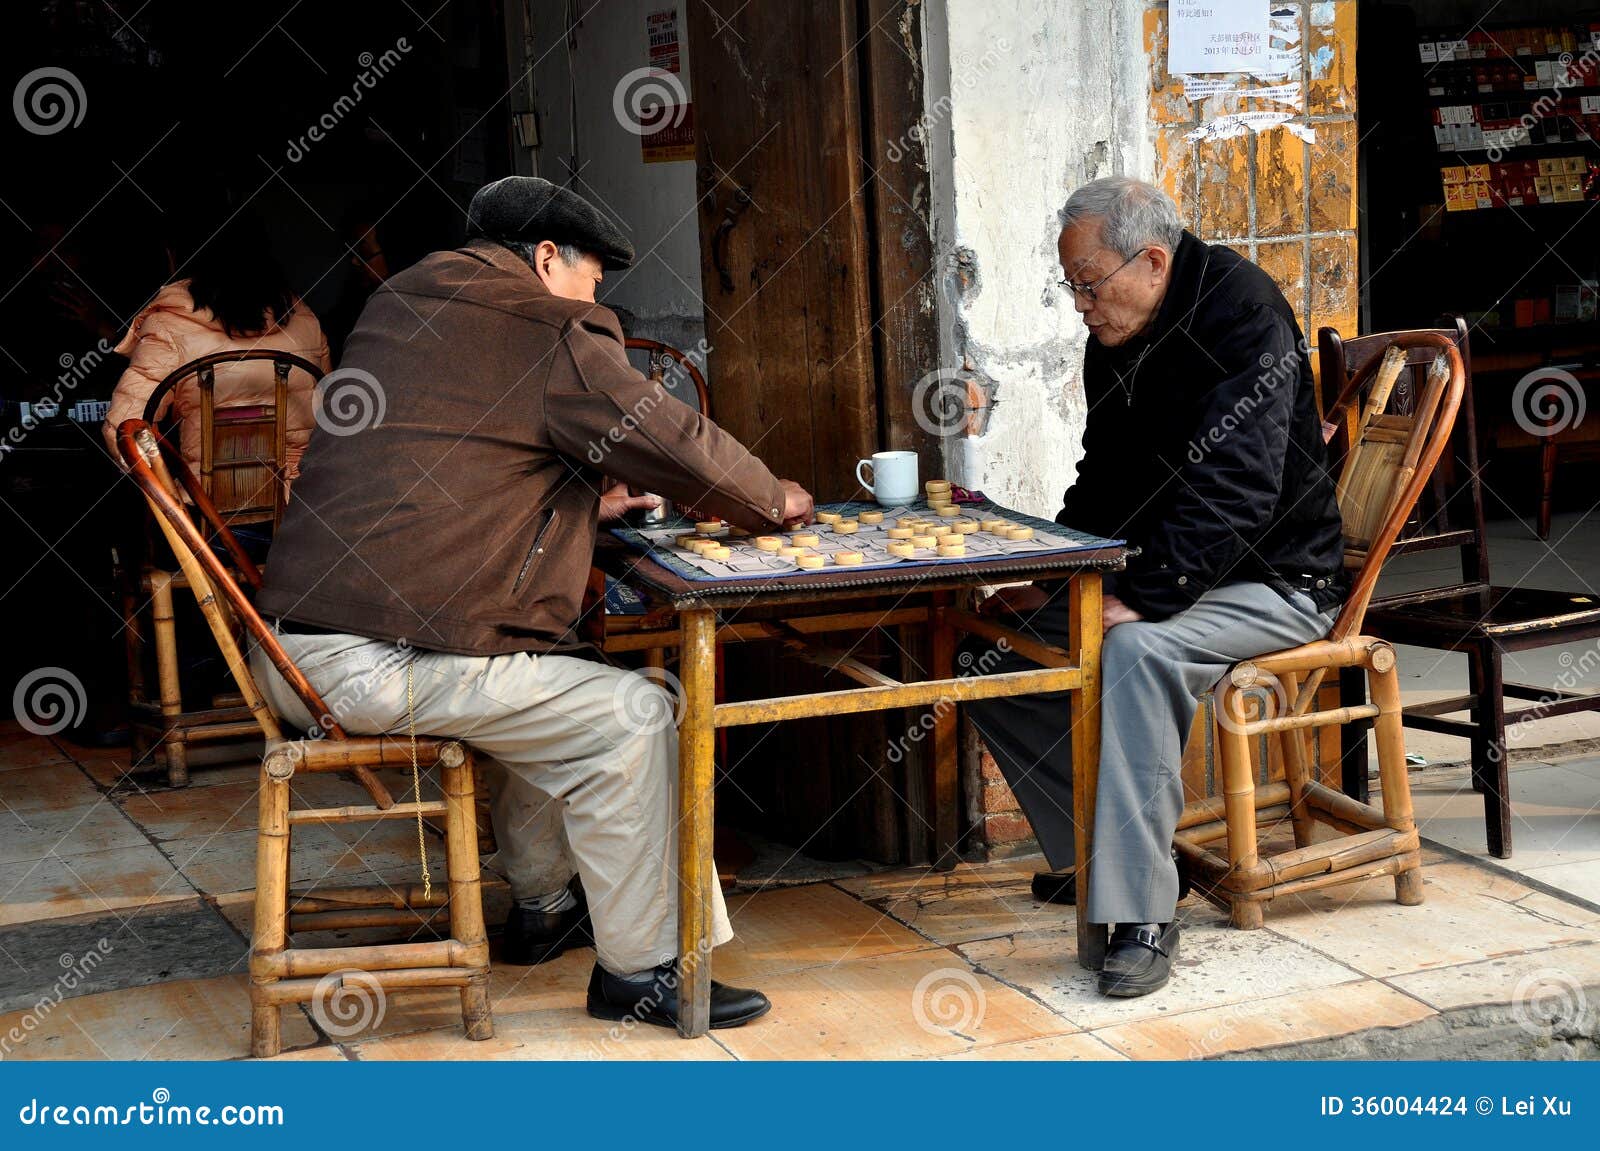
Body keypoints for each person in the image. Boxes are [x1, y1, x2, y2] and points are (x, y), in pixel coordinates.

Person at [250, 176, 814, 1030]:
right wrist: (774, 499)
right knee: (633, 711)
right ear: (547, 258)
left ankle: (545, 904)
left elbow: (457, 454)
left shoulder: (401, 299)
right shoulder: (552, 321)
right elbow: (673, 439)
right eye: (593, 280)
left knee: (544, 671)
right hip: (368, 664)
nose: (599, 303)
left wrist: (592, 502)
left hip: (294, 649)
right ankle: (644, 970)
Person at [961, 177, 1347, 998]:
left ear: (1153, 260)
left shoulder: (1243, 313)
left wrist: (1153, 593)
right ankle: (1099, 857)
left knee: (1133, 648)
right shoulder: (1120, 331)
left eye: (1088, 284)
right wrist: (1059, 579)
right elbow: (1104, 478)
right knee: (990, 653)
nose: (1079, 305)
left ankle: (1142, 910)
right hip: (1171, 568)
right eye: (1071, 286)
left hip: (1276, 576)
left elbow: (1240, 490)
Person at [102, 215, 328, 491]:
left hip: (210, 515)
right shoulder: (305, 319)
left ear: (177, 257)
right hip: (303, 505)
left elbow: (124, 434)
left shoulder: (169, 324)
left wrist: (172, 494)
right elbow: (331, 420)